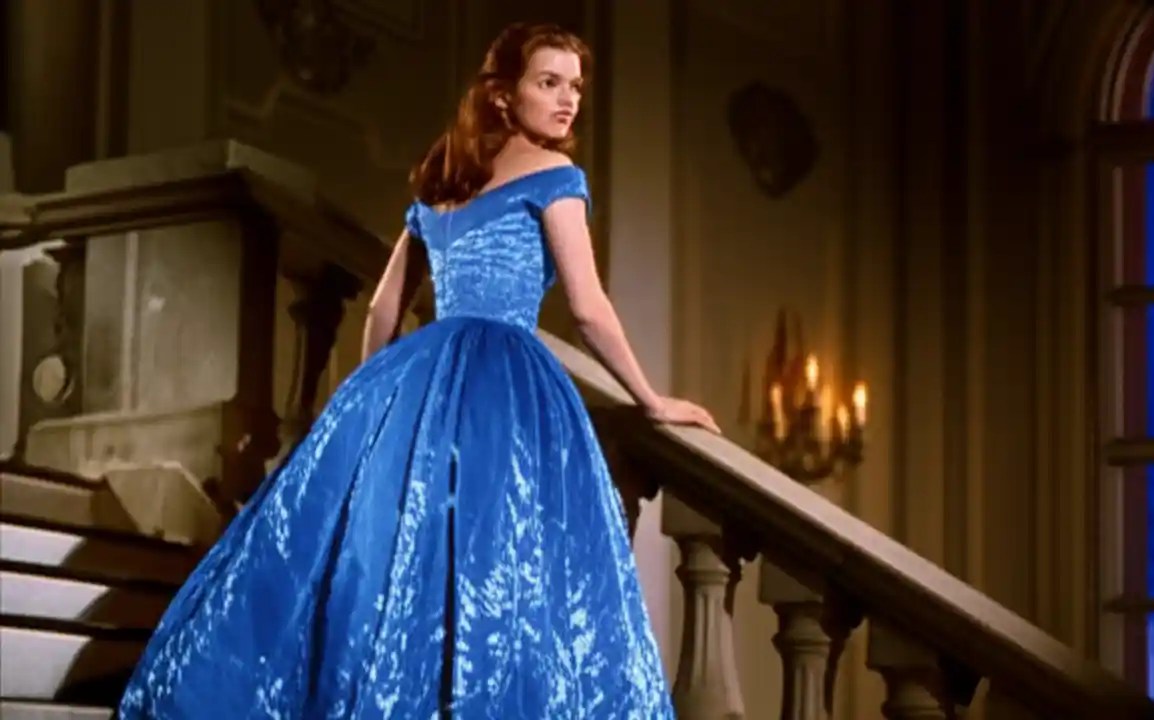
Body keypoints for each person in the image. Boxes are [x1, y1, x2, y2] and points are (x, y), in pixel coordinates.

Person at [116, 20, 718, 719]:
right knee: (506, 567)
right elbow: (587, 308)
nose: (568, 100)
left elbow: (381, 311)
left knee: (407, 567)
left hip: (419, 376)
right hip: (505, 379)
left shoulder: (444, 176)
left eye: (576, 86)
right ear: (503, 95)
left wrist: (374, 411)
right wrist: (651, 399)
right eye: (548, 83)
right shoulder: (558, 177)